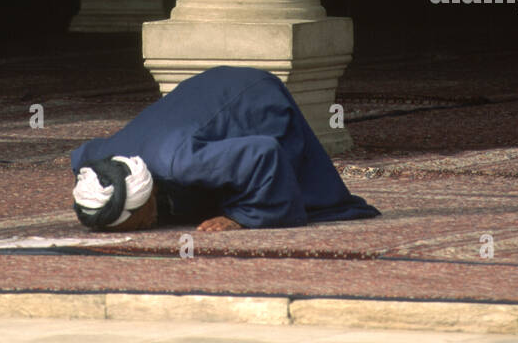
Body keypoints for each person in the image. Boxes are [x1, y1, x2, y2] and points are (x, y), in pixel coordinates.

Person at [71, 66, 380, 232]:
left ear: (142, 198)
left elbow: (264, 153)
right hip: (205, 88)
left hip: (252, 93)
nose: (139, 229)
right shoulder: (99, 161)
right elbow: (78, 158)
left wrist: (242, 216)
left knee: (301, 183)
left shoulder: (182, 163)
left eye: (133, 224)